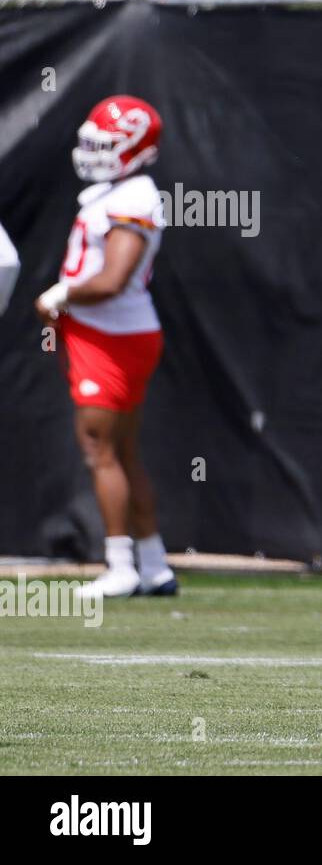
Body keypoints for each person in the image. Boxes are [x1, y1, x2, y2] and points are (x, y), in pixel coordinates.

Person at [36, 95, 177, 599]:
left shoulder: (133, 197)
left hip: (111, 336)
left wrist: (62, 293)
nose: (94, 152)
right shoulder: (119, 192)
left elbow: (114, 278)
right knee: (124, 451)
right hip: (115, 333)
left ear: (135, 148)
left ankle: (120, 564)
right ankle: (156, 564)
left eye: (106, 144)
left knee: (100, 452)